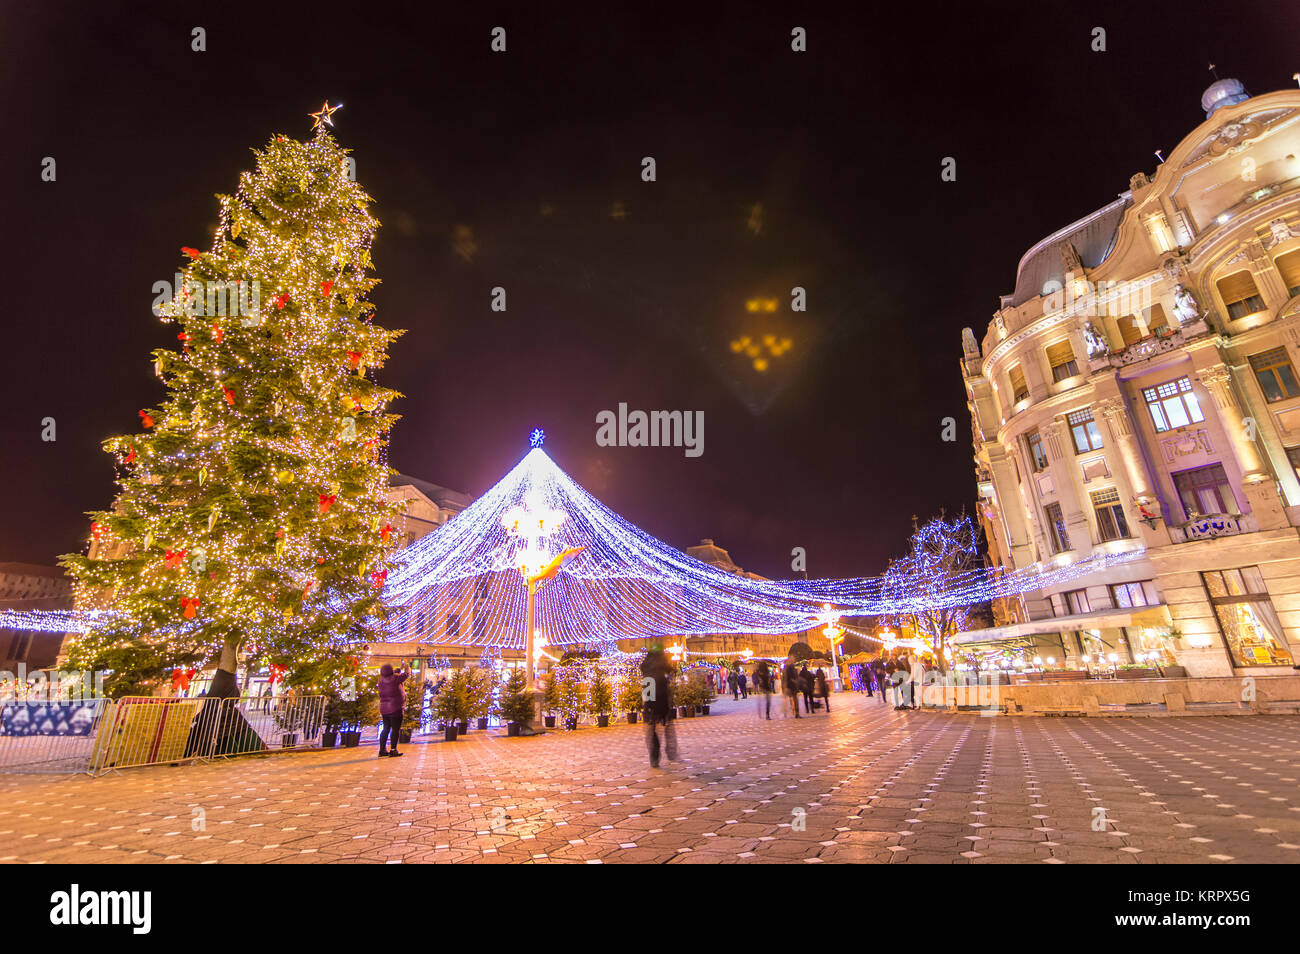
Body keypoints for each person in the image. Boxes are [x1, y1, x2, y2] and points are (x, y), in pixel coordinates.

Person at [641, 646, 678, 768]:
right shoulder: (662, 663)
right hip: (660, 695)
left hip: (648, 689)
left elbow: (644, 673)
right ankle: (670, 750)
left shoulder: (646, 663)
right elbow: (672, 671)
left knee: (651, 727)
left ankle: (654, 755)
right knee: (667, 725)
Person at [377, 661, 410, 758]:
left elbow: (392, 677)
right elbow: (406, 675)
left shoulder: (380, 679)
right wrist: (407, 667)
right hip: (396, 707)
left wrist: (396, 672)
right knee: (395, 729)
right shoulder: (395, 678)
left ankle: (382, 750)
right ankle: (393, 749)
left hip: (384, 709)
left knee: (386, 728)